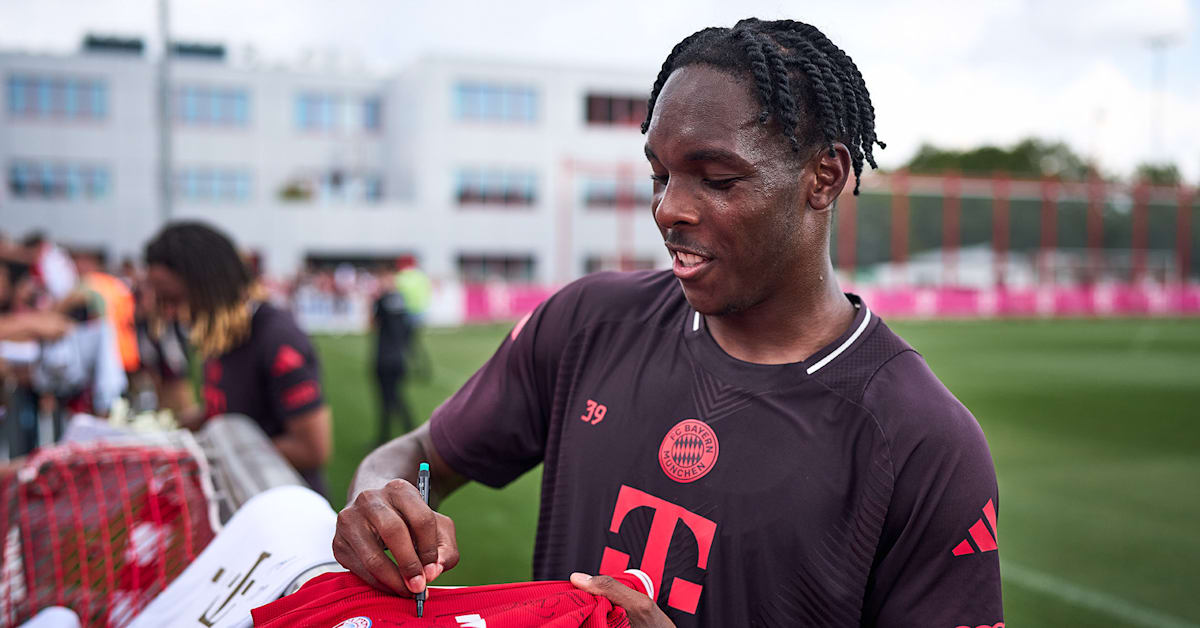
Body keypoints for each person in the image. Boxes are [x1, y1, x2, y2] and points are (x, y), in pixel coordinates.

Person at [333, 18, 1002, 628]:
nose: (669, 210)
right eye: (660, 176)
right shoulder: (587, 323)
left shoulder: (921, 439)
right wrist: (379, 500)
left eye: (716, 180)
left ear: (823, 176)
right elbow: (414, 458)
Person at [144, 222, 333, 495]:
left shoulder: (277, 337)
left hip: (282, 507)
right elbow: (224, 412)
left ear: (209, 285)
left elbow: (312, 449)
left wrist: (210, 453)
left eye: (174, 299)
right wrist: (161, 434)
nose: (170, 313)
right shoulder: (219, 334)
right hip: (239, 497)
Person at [371, 269, 415, 444]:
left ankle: (396, 434)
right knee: (395, 396)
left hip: (384, 357)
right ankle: (400, 432)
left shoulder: (381, 301)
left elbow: (373, 323)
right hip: (399, 357)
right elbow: (409, 330)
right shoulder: (402, 302)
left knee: (387, 399)